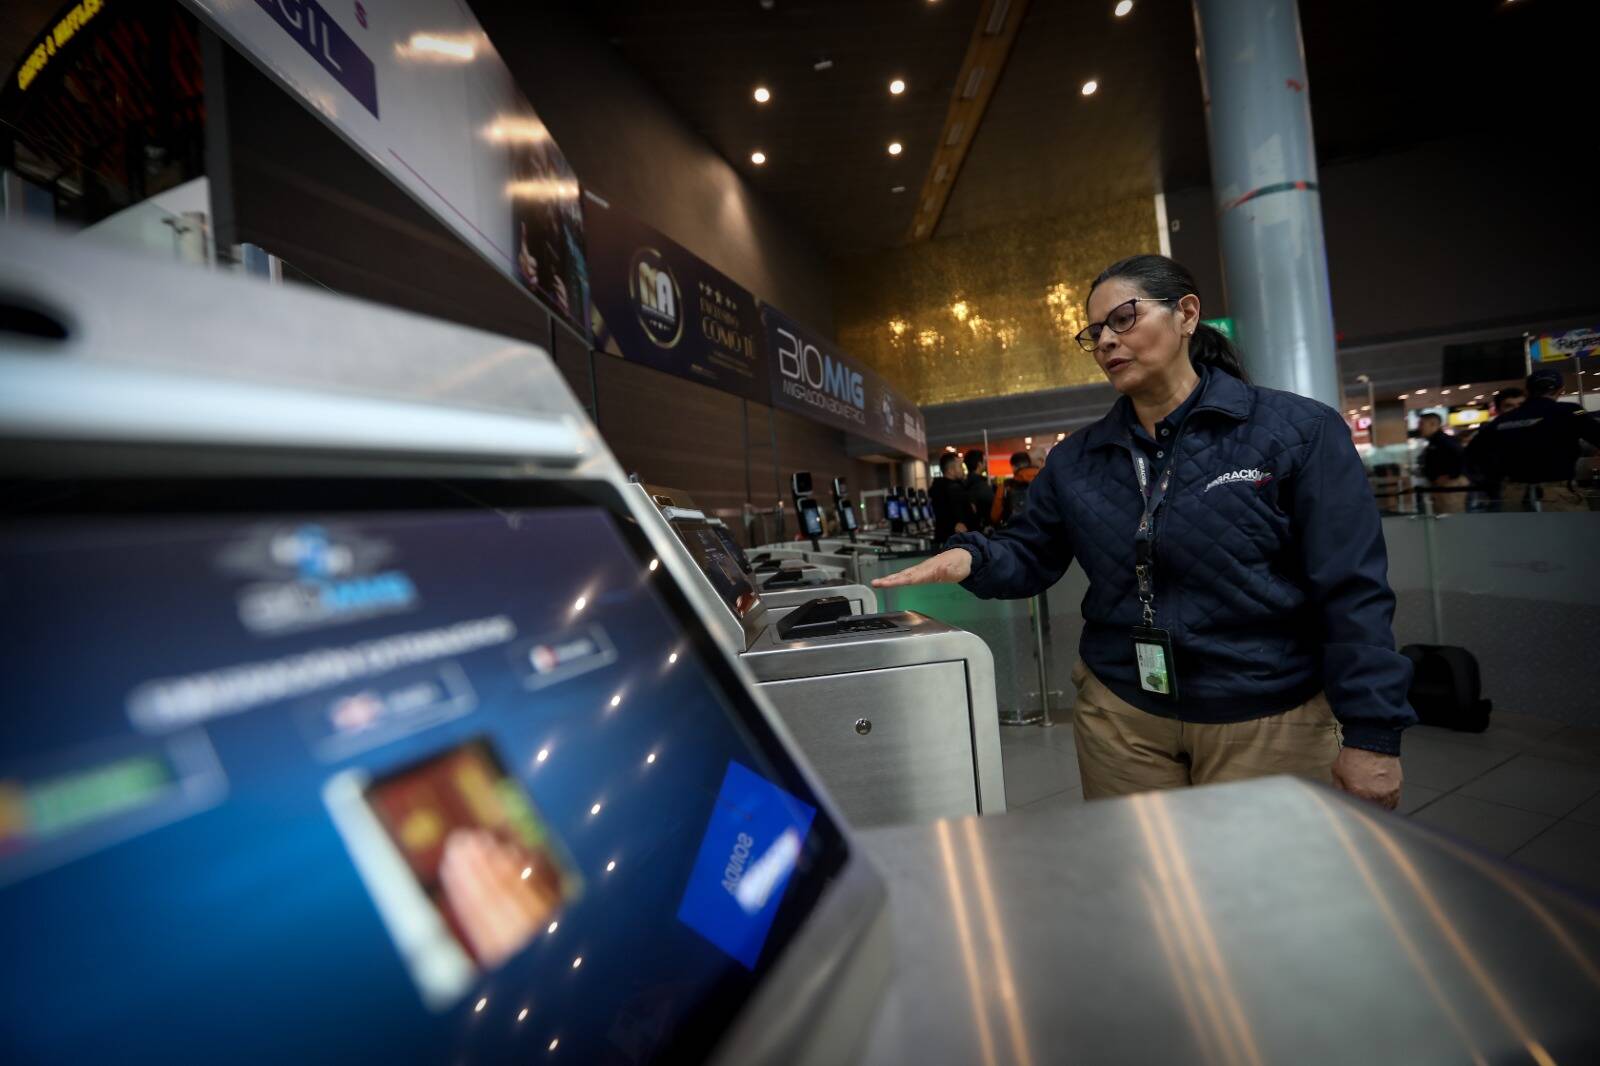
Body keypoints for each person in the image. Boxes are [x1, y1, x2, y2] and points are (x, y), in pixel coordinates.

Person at [873, 254, 1414, 808]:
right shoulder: (1078, 460)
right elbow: (1032, 551)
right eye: (1095, 332)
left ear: (1186, 314)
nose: (1106, 340)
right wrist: (974, 559)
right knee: (1146, 883)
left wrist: (1372, 733)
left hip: (1265, 714)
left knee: (1260, 891)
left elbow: (1353, 588)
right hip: (1123, 716)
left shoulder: (1295, 432)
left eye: (1124, 318)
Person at [1468, 368, 1600, 512]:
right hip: (1557, 494)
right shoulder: (1571, 411)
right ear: (1561, 390)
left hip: (1512, 496)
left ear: (1528, 390)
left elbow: (1472, 457)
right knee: (1569, 534)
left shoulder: (1502, 420)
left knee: (1518, 535)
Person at [1416, 412, 1468, 514]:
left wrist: (1450, 475)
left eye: (1422, 424)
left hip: (1450, 486)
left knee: (1450, 517)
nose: (1419, 427)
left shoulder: (1444, 440)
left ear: (1433, 424)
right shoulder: (1434, 442)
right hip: (1441, 486)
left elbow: (1462, 458)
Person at [930, 452, 978, 543]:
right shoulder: (944, 489)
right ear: (951, 470)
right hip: (953, 542)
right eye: (960, 466)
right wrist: (953, 525)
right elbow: (942, 513)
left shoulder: (956, 487)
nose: (963, 470)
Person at [990, 450, 1039, 528]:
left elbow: (995, 516)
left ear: (1013, 467)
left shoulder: (1005, 486)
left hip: (1016, 532)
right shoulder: (1041, 481)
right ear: (1029, 464)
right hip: (1040, 530)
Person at [963, 449, 995, 527]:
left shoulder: (964, 483)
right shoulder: (980, 484)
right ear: (979, 464)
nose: (986, 464)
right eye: (984, 461)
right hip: (984, 527)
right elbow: (992, 503)